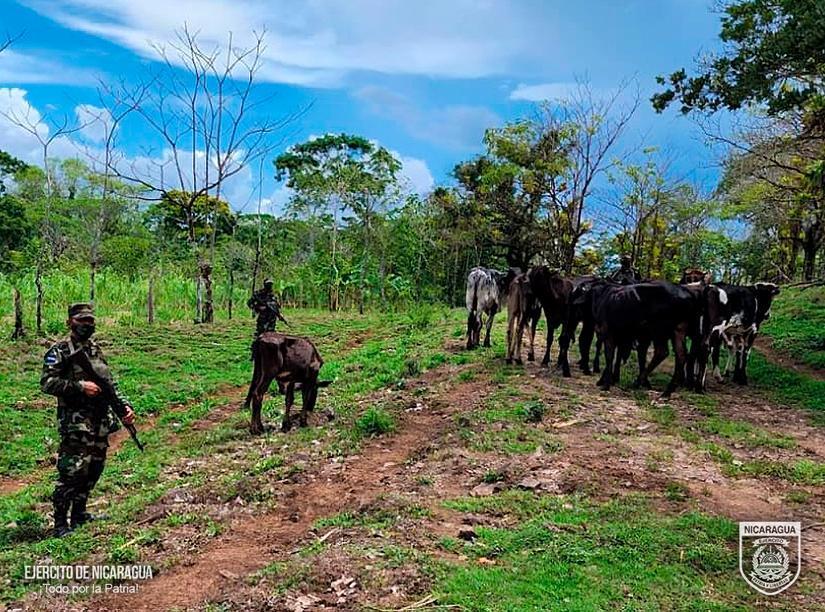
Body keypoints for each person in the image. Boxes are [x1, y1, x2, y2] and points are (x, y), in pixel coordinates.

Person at [41, 303, 135, 538]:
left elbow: (109, 384)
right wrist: (79, 387)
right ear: (70, 322)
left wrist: (124, 407)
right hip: (76, 422)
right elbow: (47, 383)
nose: (87, 325)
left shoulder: (95, 349)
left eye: (90, 321)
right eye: (82, 320)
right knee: (73, 472)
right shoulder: (60, 350)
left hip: (99, 420)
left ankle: (80, 514)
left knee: (94, 468)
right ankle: (61, 523)